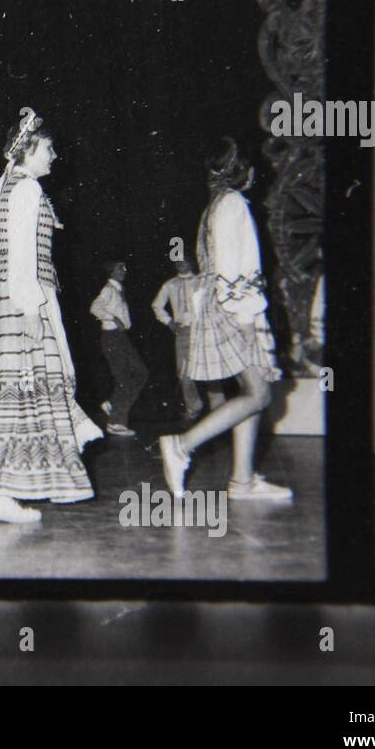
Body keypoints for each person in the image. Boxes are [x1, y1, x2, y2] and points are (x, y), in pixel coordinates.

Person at [0, 109, 100, 523]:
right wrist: (33, 308)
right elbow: (20, 254)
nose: (55, 156)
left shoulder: (8, 185)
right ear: (30, 149)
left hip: (7, 303)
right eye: (50, 149)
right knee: (25, 388)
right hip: (22, 303)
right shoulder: (27, 191)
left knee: (16, 391)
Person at [158, 136, 292, 501]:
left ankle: (243, 480)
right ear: (242, 171)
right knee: (260, 394)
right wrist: (248, 324)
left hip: (225, 307)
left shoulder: (217, 204)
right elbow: (235, 271)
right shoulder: (233, 205)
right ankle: (182, 445)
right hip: (236, 311)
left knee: (252, 392)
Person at [90, 259, 148, 437]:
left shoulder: (118, 290)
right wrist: (113, 318)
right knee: (124, 378)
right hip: (112, 337)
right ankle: (116, 422)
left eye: (124, 267)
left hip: (121, 338)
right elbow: (94, 307)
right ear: (111, 271)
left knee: (141, 373)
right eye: (119, 268)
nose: (124, 270)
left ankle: (114, 405)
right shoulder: (108, 290)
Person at [152, 258, 204, 420]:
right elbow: (156, 305)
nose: (181, 264)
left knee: (209, 368)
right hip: (183, 331)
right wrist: (169, 322)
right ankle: (194, 407)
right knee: (183, 371)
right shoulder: (170, 284)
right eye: (177, 261)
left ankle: (219, 405)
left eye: (184, 260)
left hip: (203, 329)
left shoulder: (200, 281)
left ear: (190, 262)